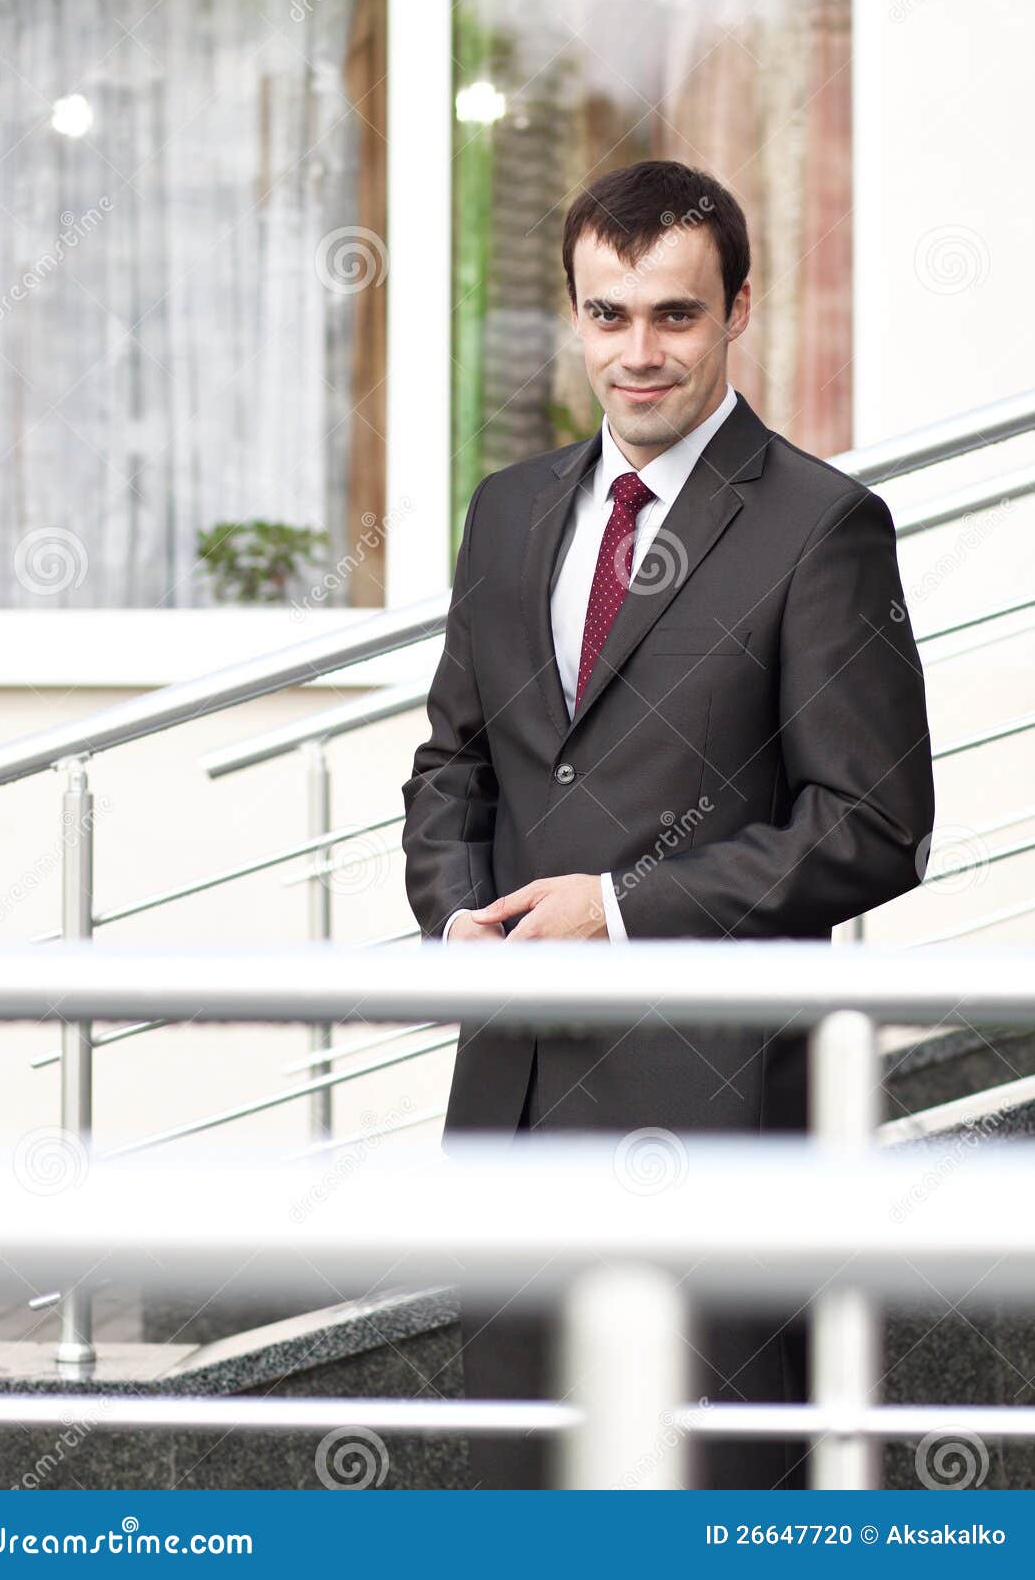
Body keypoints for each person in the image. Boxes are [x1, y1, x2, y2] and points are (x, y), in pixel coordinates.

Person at [401, 158, 935, 1488]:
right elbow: (452, 763)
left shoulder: (821, 526)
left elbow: (874, 821)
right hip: (516, 1099)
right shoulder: (510, 513)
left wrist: (621, 906)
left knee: (707, 1507)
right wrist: (457, 908)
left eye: (673, 315)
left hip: (718, 1113)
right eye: (608, 314)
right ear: (575, 316)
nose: (637, 352)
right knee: (521, 1507)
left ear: (737, 308)